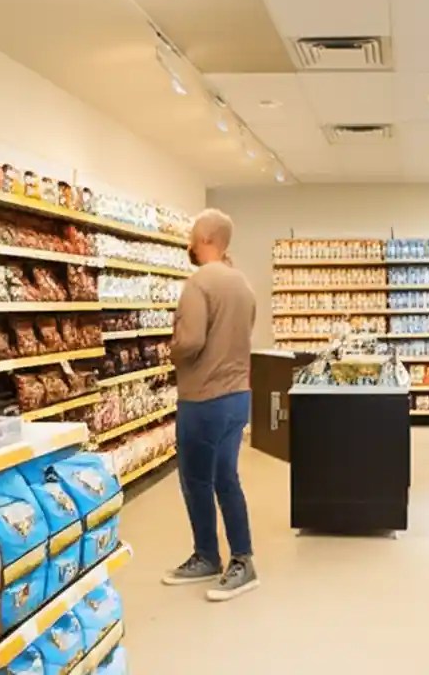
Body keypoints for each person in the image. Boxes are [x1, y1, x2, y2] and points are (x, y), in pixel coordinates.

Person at [163, 208, 259, 602]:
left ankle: (208, 555)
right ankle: (241, 558)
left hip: (203, 398)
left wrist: (172, 350)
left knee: (196, 480)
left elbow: (190, 342)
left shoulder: (198, 284)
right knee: (227, 478)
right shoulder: (243, 285)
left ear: (203, 239)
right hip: (238, 396)